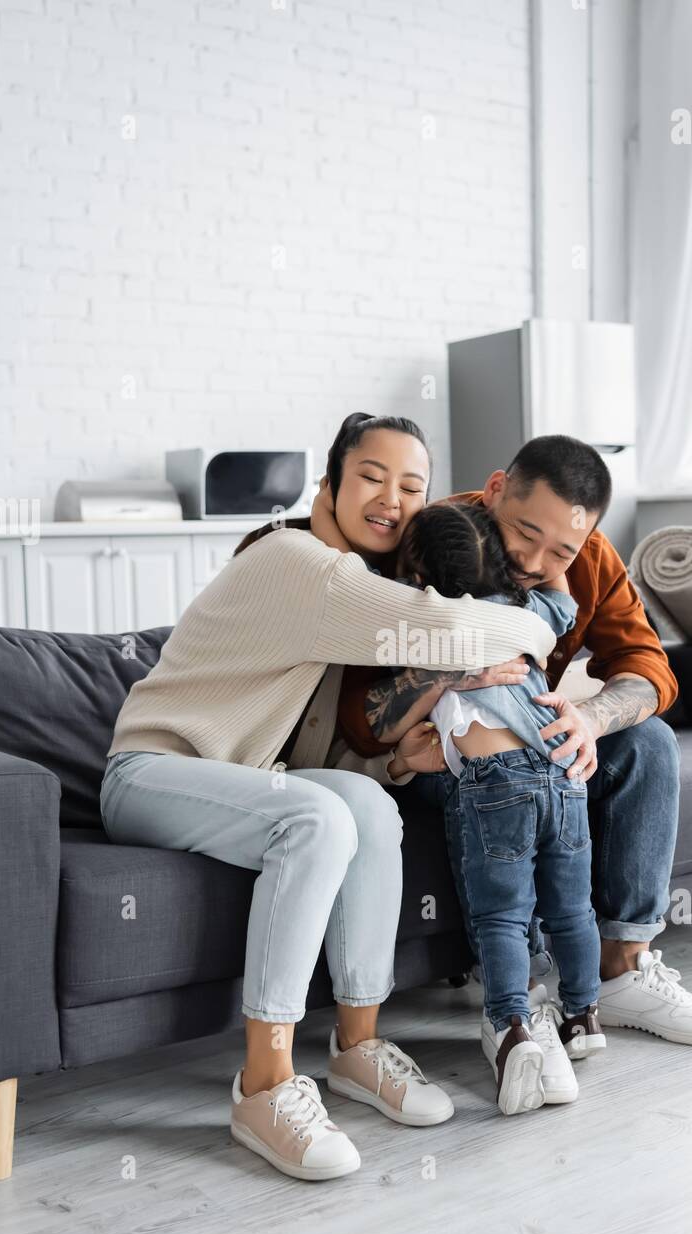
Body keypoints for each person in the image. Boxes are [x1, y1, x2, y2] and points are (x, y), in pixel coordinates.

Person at [99, 413, 557, 1184]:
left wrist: (392, 769)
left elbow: (306, 751)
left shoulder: (348, 587)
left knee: (366, 808)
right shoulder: (299, 562)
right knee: (313, 818)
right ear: (330, 484)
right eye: (371, 477)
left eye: (410, 486)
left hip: (242, 780)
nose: (390, 498)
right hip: (150, 773)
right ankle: (264, 1087)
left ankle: (356, 1045)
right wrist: (537, 627)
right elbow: (436, 629)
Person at [336, 435, 692, 1050]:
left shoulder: (590, 558)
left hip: (539, 744)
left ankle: (623, 969)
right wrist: (447, 674)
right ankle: (518, 995)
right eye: (526, 534)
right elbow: (360, 716)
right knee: (495, 773)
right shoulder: (431, 540)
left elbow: (647, 664)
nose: (537, 562)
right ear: (496, 489)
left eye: (562, 551)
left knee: (649, 743)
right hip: (444, 753)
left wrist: (592, 718)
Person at [394, 500, 607, 1116]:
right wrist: (543, 573)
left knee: (503, 918)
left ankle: (513, 1028)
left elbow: (387, 712)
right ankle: (584, 1014)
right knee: (571, 908)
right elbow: (565, 601)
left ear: (418, 581)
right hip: (564, 770)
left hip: (494, 784)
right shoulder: (529, 614)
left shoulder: (434, 628)